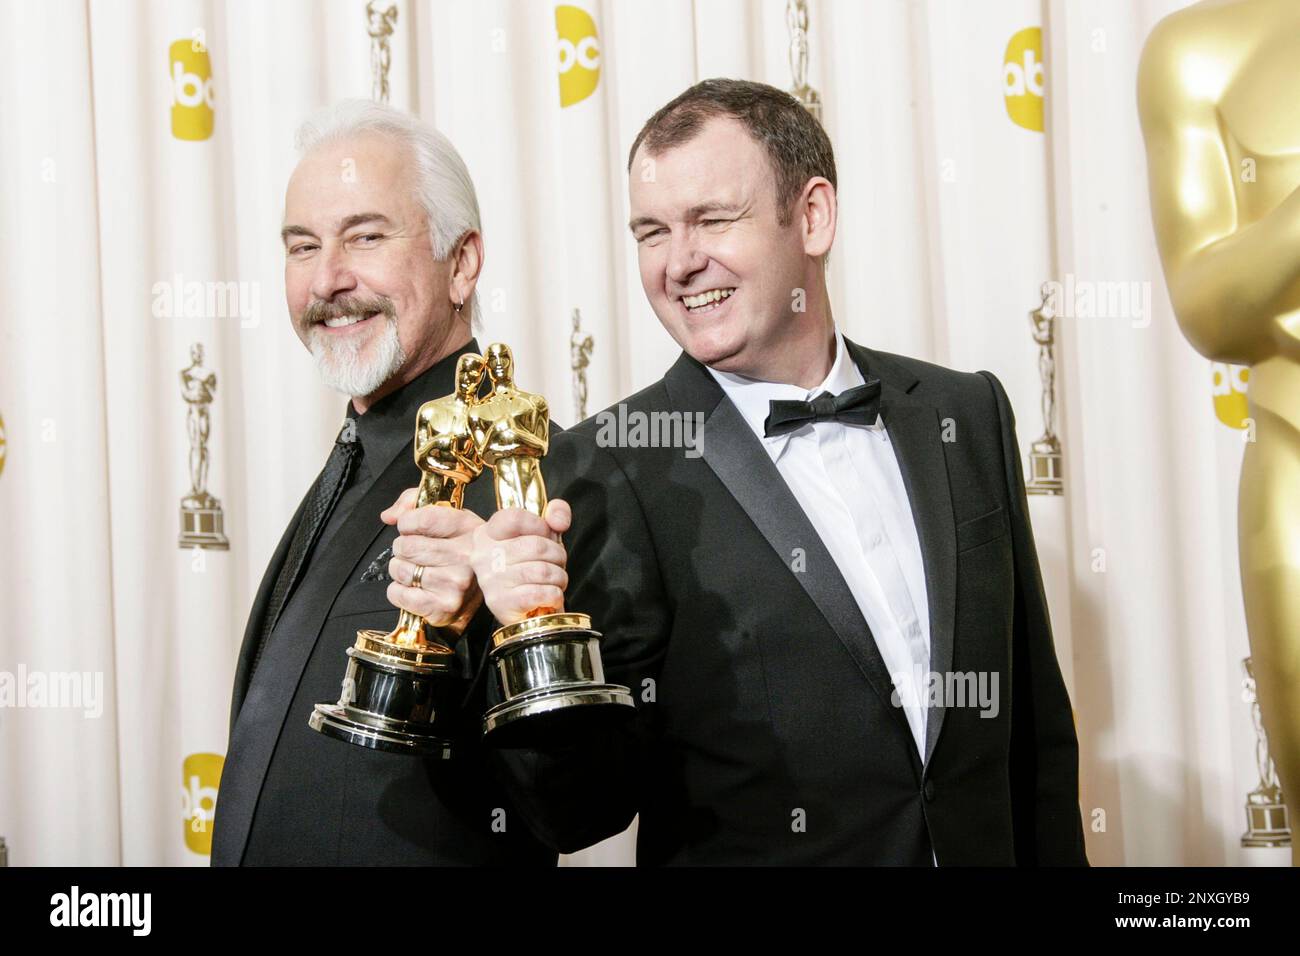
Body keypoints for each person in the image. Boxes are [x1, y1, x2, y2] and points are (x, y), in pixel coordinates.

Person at [399, 79, 1089, 865]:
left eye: (713, 220)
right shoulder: (606, 464)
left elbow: (1035, 738)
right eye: (651, 232)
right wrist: (515, 635)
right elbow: (576, 809)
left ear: (813, 215)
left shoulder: (965, 414)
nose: (681, 262)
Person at [210, 100, 553, 866]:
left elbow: (572, 801)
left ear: (461, 261)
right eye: (303, 245)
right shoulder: (355, 457)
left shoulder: (531, 474)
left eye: (365, 236)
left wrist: (512, 623)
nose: (328, 279)